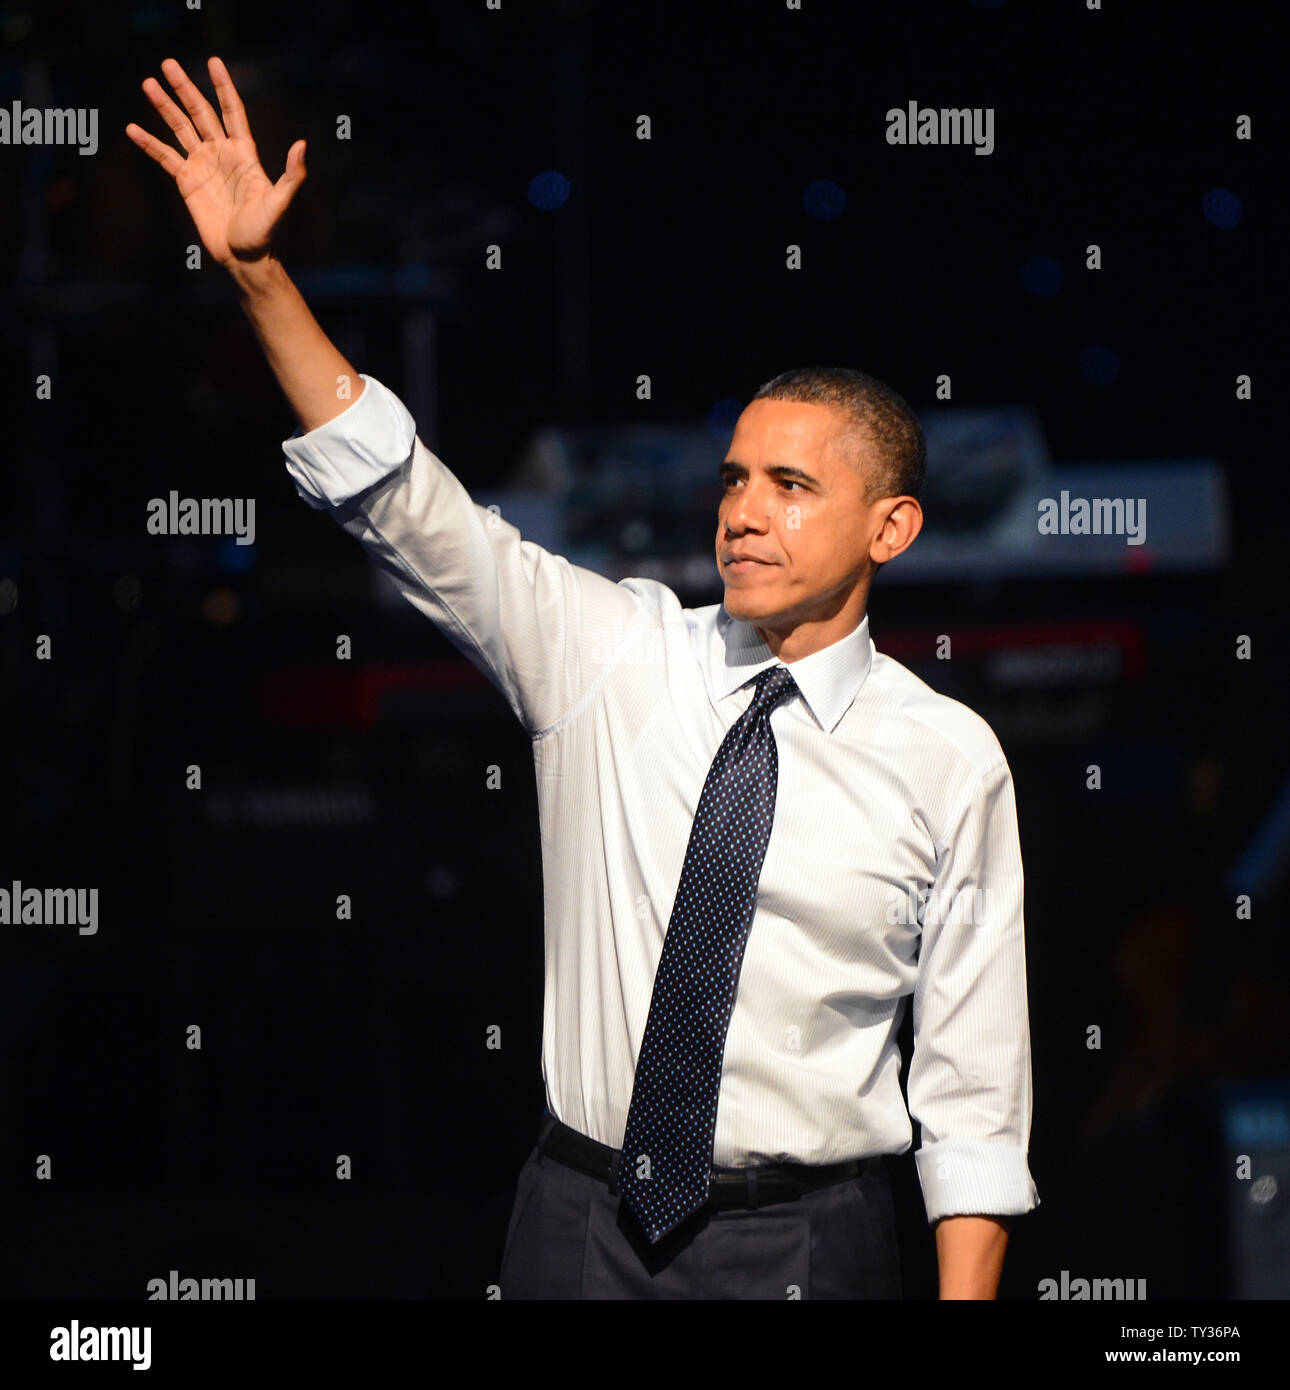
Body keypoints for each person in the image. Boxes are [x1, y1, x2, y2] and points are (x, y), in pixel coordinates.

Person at [128, 55, 1039, 1300]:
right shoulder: (615, 654)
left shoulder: (947, 756)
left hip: (808, 1242)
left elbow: (976, 1093)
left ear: (891, 530)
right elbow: (408, 502)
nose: (745, 513)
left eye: (791, 486)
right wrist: (260, 279)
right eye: (732, 479)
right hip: (578, 1227)